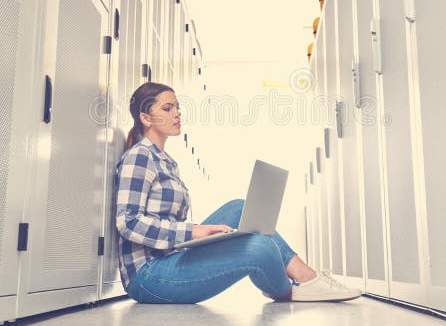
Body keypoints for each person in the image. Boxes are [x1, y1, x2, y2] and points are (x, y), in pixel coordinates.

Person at [114, 81, 362, 304]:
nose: (177, 113)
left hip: (171, 257)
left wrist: (196, 234)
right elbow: (128, 222)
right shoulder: (140, 156)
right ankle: (292, 290)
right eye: (168, 108)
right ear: (146, 118)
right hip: (148, 276)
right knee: (260, 247)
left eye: (177, 107)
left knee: (239, 207)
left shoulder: (164, 160)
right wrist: (193, 231)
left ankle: (307, 278)